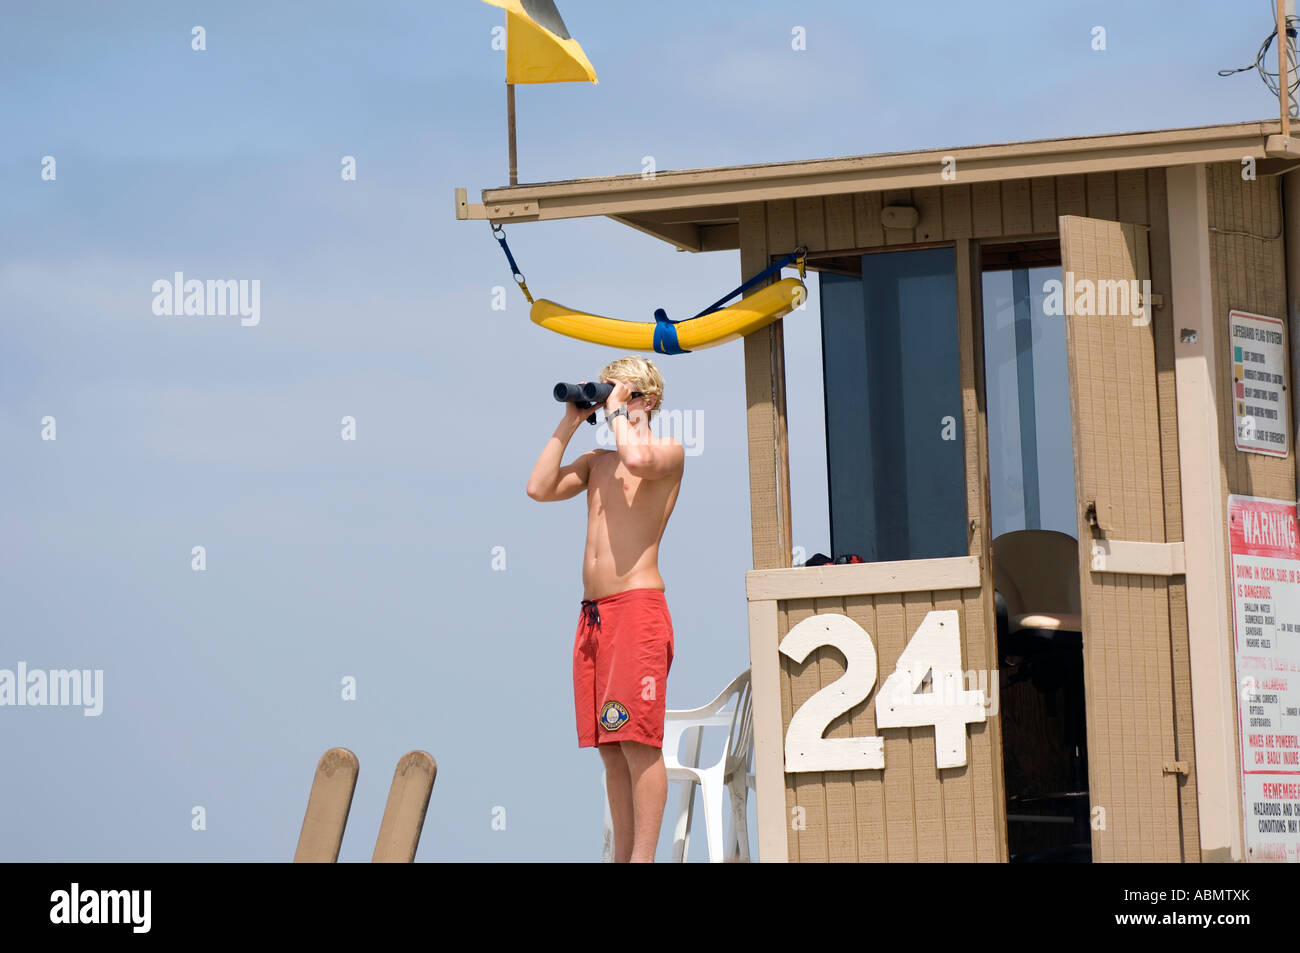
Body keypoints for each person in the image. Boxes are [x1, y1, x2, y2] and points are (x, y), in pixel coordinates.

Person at [525, 356, 685, 862]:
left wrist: (619, 413)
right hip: (594, 617)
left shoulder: (668, 453)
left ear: (648, 401)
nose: (610, 398)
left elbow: (637, 460)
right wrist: (570, 421)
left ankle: (643, 858)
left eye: (623, 391)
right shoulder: (598, 463)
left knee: (638, 741)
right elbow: (539, 488)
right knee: (611, 748)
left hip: (637, 610)